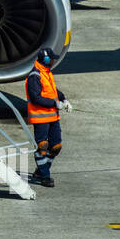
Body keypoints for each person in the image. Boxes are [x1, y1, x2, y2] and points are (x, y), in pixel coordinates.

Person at [26, 47, 70, 188]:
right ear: (46, 59)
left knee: (56, 147)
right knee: (42, 147)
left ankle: (40, 170)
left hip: (52, 117)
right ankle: (45, 176)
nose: (53, 61)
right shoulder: (35, 76)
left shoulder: (46, 72)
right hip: (41, 117)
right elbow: (35, 98)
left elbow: (52, 90)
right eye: (51, 58)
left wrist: (63, 99)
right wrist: (54, 104)